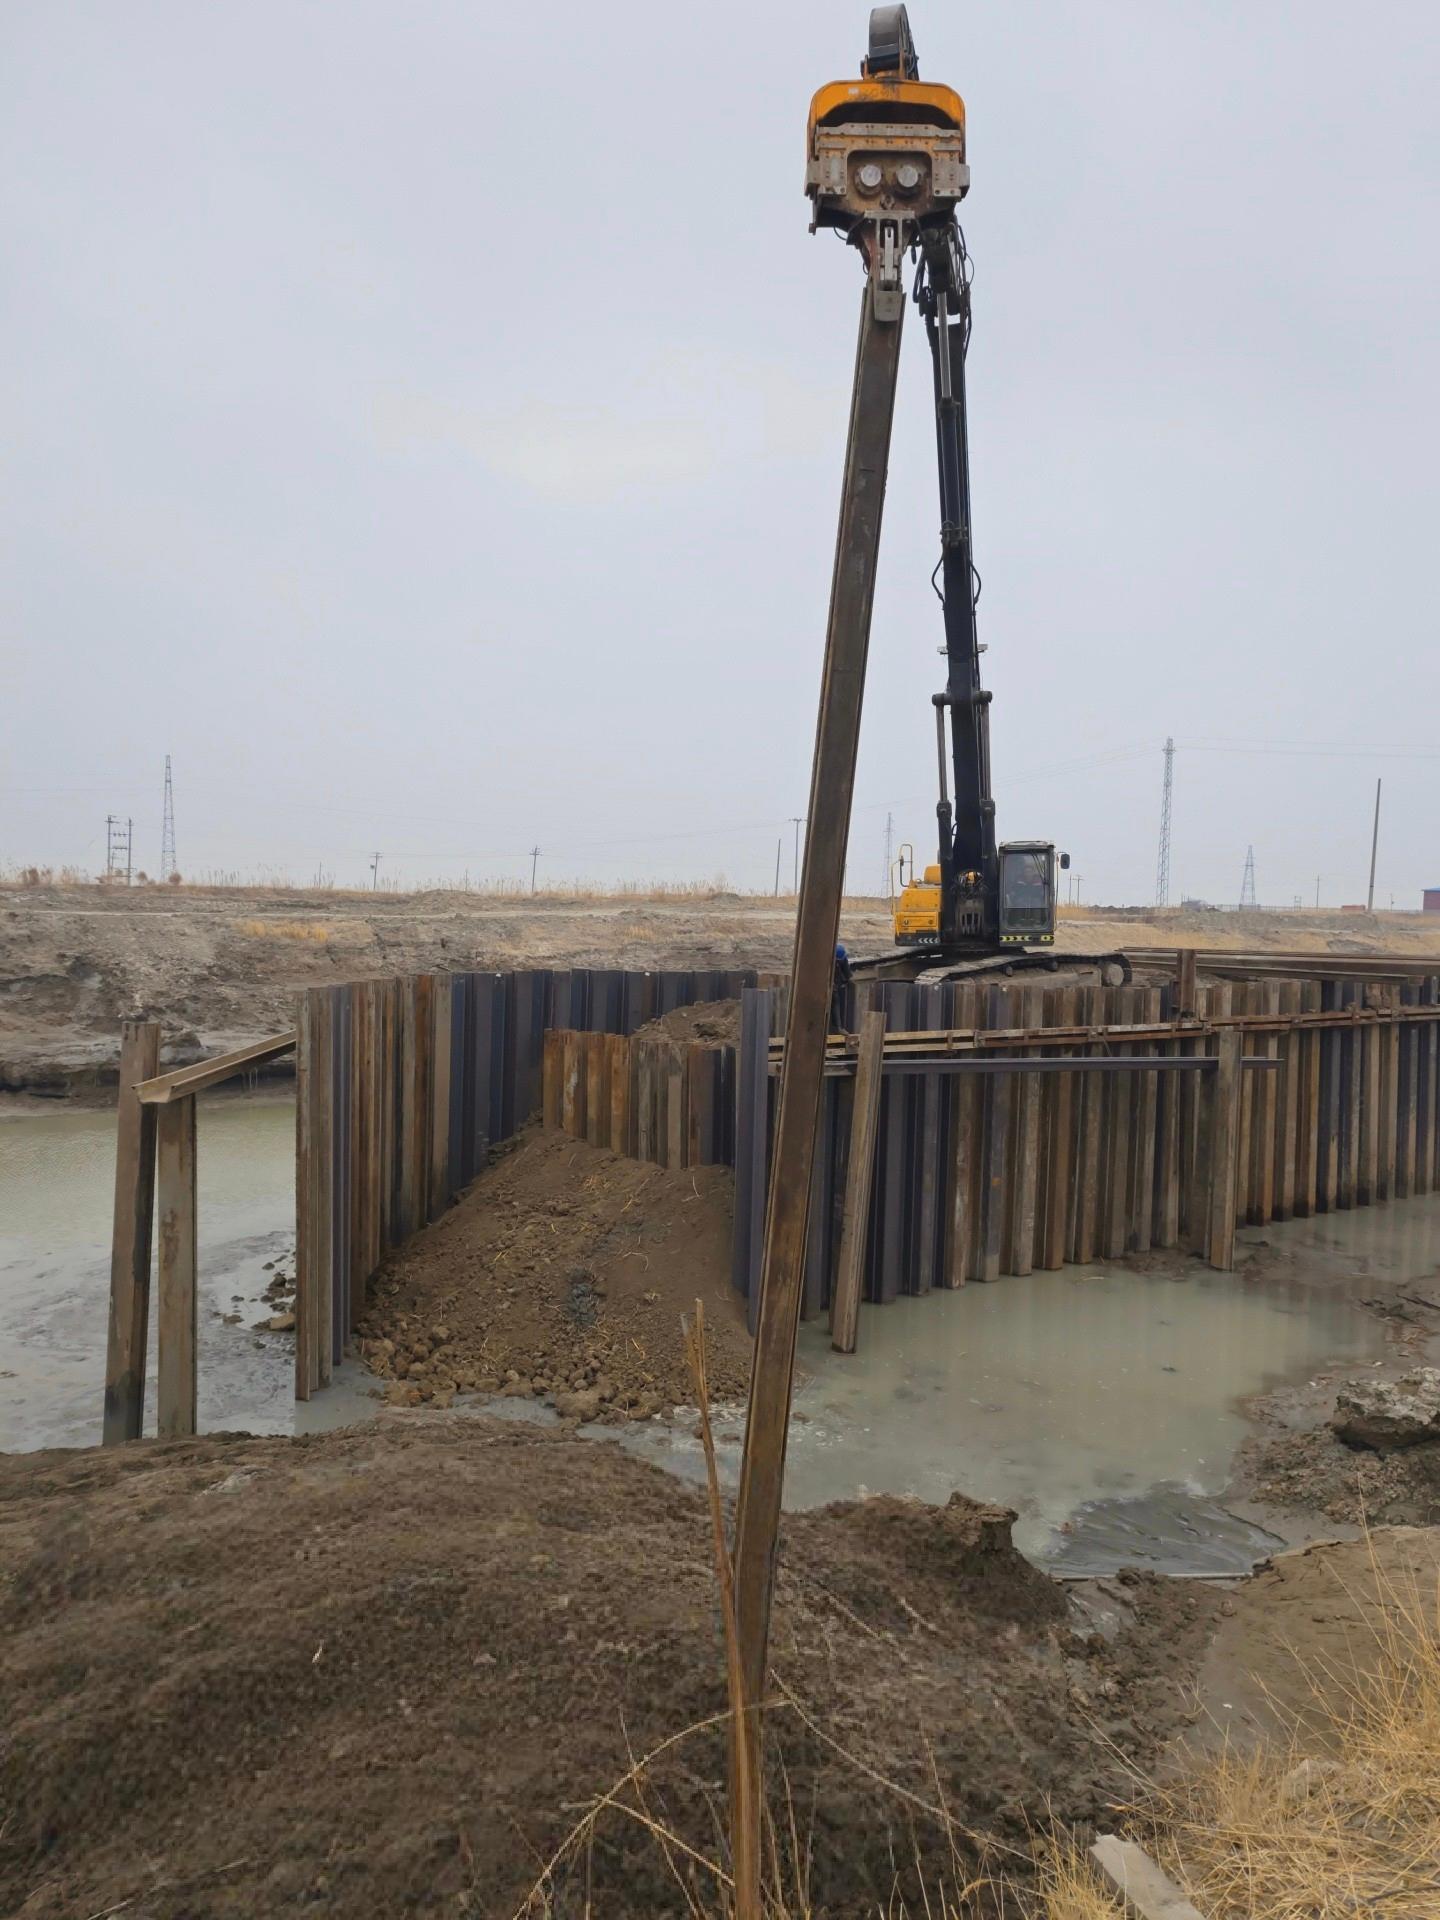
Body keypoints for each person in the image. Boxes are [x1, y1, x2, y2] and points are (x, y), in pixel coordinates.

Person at [830, 942, 853, 1033]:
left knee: (835, 1001)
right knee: (834, 1001)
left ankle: (838, 1028)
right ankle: (838, 1027)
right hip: (825, 984)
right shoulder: (828, 959)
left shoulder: (842, 957)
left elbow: (846, 971)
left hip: (835, 984)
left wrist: (848, 980)